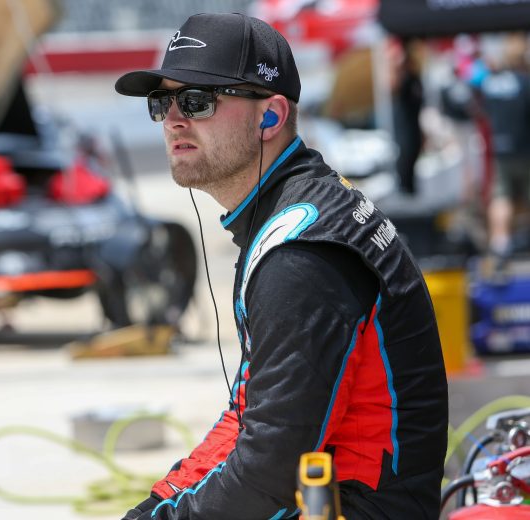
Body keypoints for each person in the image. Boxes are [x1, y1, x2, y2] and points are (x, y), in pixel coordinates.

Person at [114, 13, 448, 519]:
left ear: (269, 116)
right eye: (162, 102)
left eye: (198, 101)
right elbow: (249, 417)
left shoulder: (300, 255)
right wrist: (159, 503)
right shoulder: (294, 214)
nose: (174, 119)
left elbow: (272, 469)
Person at [479, 33, 530, 263]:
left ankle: (500, 243)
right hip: (525, 150)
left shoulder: (489, 83)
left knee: (502, 196)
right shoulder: (524, 83)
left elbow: (483, 111)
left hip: (501, 149)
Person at [389, 38, 424, 195]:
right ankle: (404, 189)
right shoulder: (403, 78)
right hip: (404, 123)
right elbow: (392, 87)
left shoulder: (415, 78)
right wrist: (395, 64)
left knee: (413, 153)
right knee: (406, 154)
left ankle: (409, 189)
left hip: (414, 123)